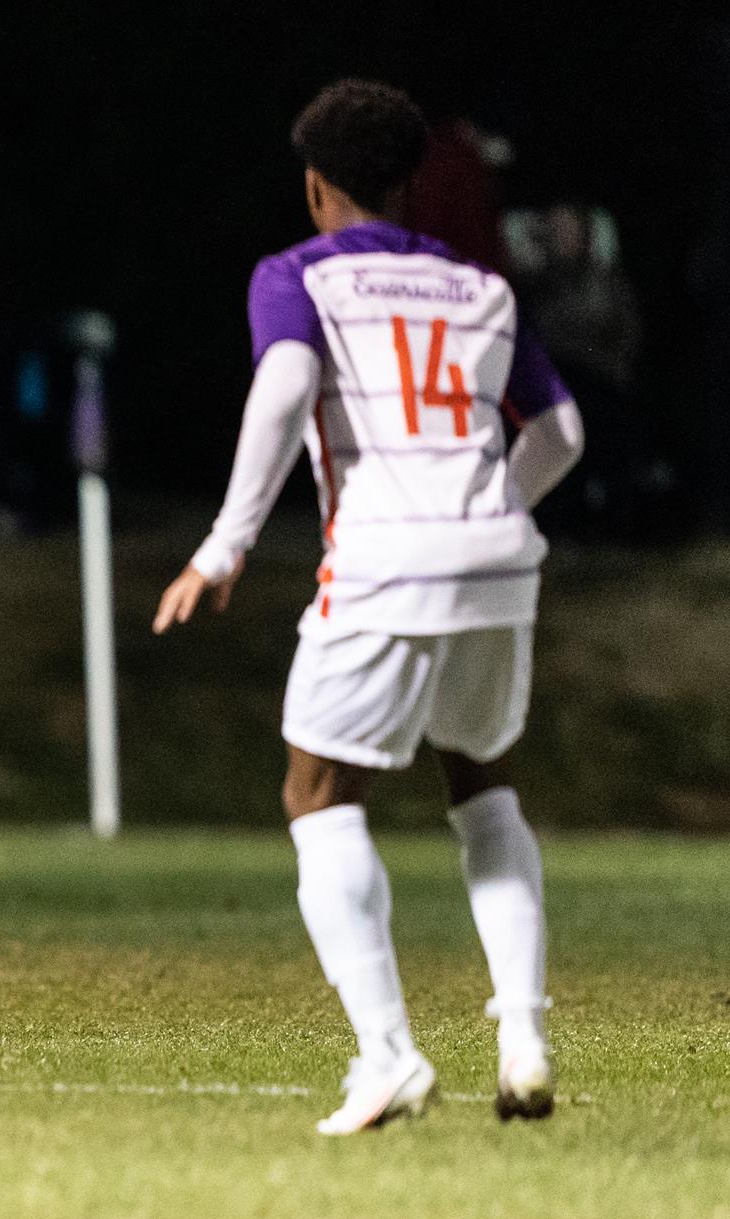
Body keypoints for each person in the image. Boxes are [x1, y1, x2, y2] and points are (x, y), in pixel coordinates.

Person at [153, 80, 586, 1134]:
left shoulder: (294, 276)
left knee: (315, 791)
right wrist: (481, 508)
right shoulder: (479, 286)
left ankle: (387, 1053)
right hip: (497, 556)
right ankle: (521, 1036)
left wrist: (224, 545)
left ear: (314, 187)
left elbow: (283, 387)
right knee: (482, 785)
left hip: (386, 559)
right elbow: (561, 434)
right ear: (408, 184)